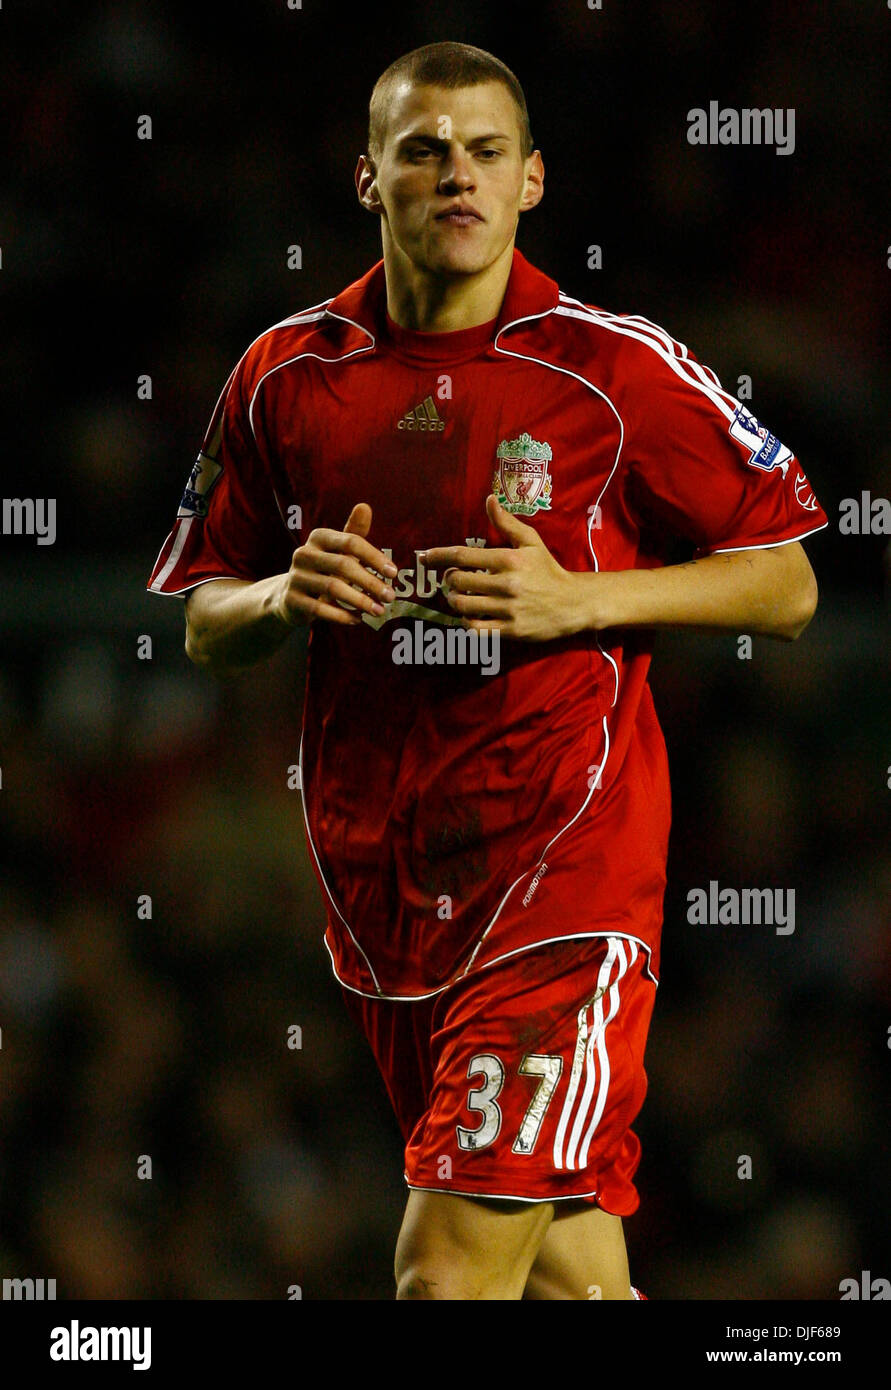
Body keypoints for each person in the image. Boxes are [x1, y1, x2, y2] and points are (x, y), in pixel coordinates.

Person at [147, 41, 828, 1300]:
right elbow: (201, 615)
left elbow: (787, 579)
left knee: (446, 1272)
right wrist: (285, 592)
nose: (454, 173)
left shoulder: (614, 369)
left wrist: (586, 600)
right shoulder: (287, 372)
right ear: (370, 178)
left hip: (565, 875)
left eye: (485, 151)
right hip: (389, 884)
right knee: (574, 1277)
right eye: (423, 149)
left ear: (531, 182)